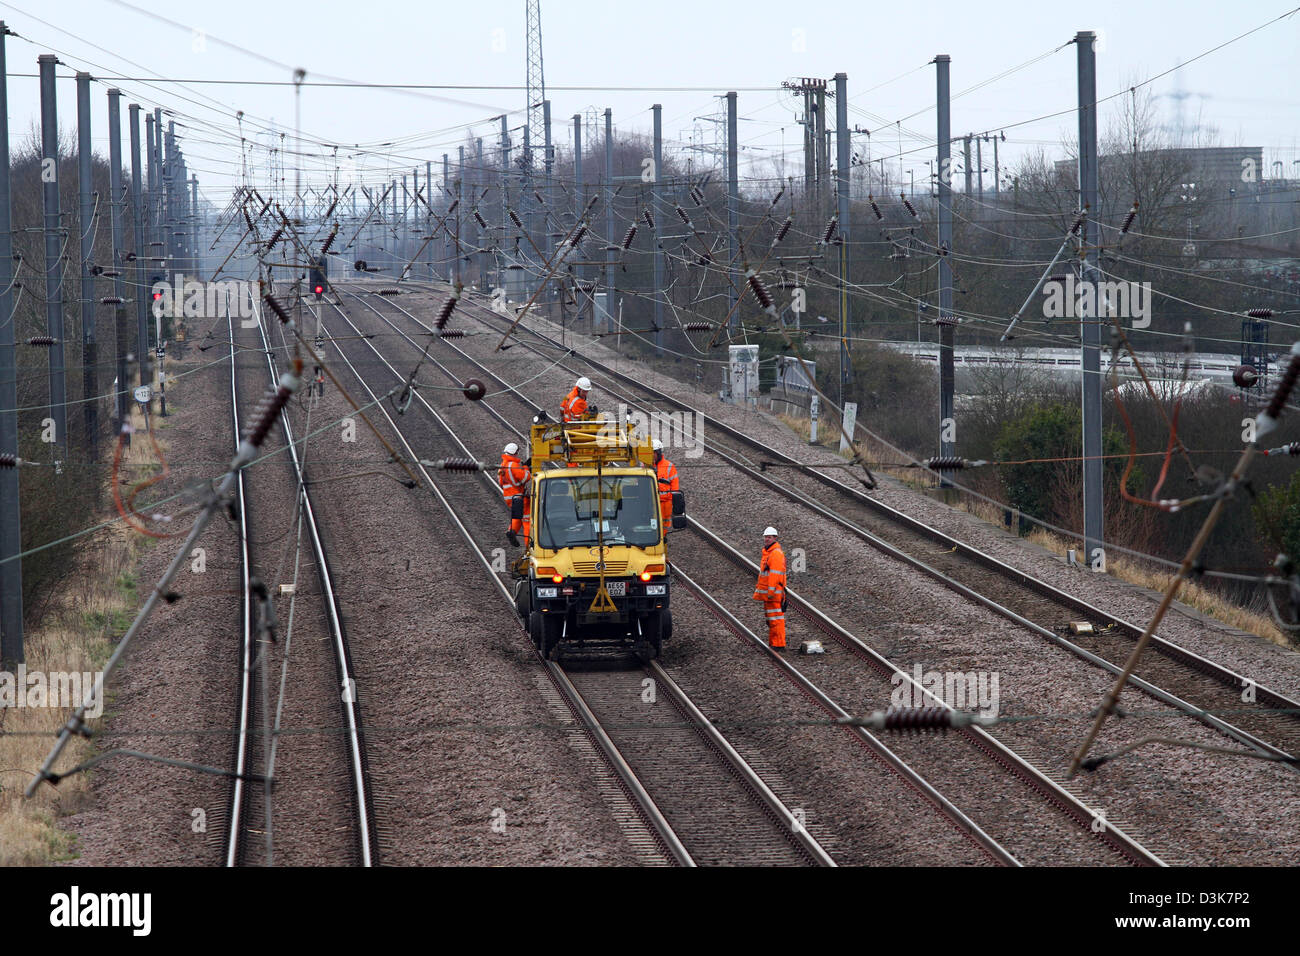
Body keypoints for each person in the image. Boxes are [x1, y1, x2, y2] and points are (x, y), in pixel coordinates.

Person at [752, 526, 787, 650]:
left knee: (776, 619)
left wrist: (771, 591)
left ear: (775, 538)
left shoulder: (775, 554)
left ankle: (779, 644)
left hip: (773, 594)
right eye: (766, 537)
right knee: (772, 620)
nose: (767, 539)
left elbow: (775, 575)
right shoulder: (769, 552)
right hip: (769, 594)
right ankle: (774, 643)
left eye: (769, 537)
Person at [497, 441, 531, 546]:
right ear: (514, 453)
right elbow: (526, 477)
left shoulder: (502, 466)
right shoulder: (513, 465)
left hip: (509, 498)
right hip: (520, 497)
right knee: (527, 521)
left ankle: (511, 531)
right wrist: (526, 467)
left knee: (517, 516)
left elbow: (501, 482)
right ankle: (528, 547)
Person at [653, 439, 679, 525]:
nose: (652, 456)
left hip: (665, 504)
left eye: (654, 453)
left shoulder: (669, 466)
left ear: (659, 453)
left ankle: (664, 537)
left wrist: (673, 502)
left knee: (664, 525)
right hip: (651, 503)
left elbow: (675, 487)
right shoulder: (645, 466)